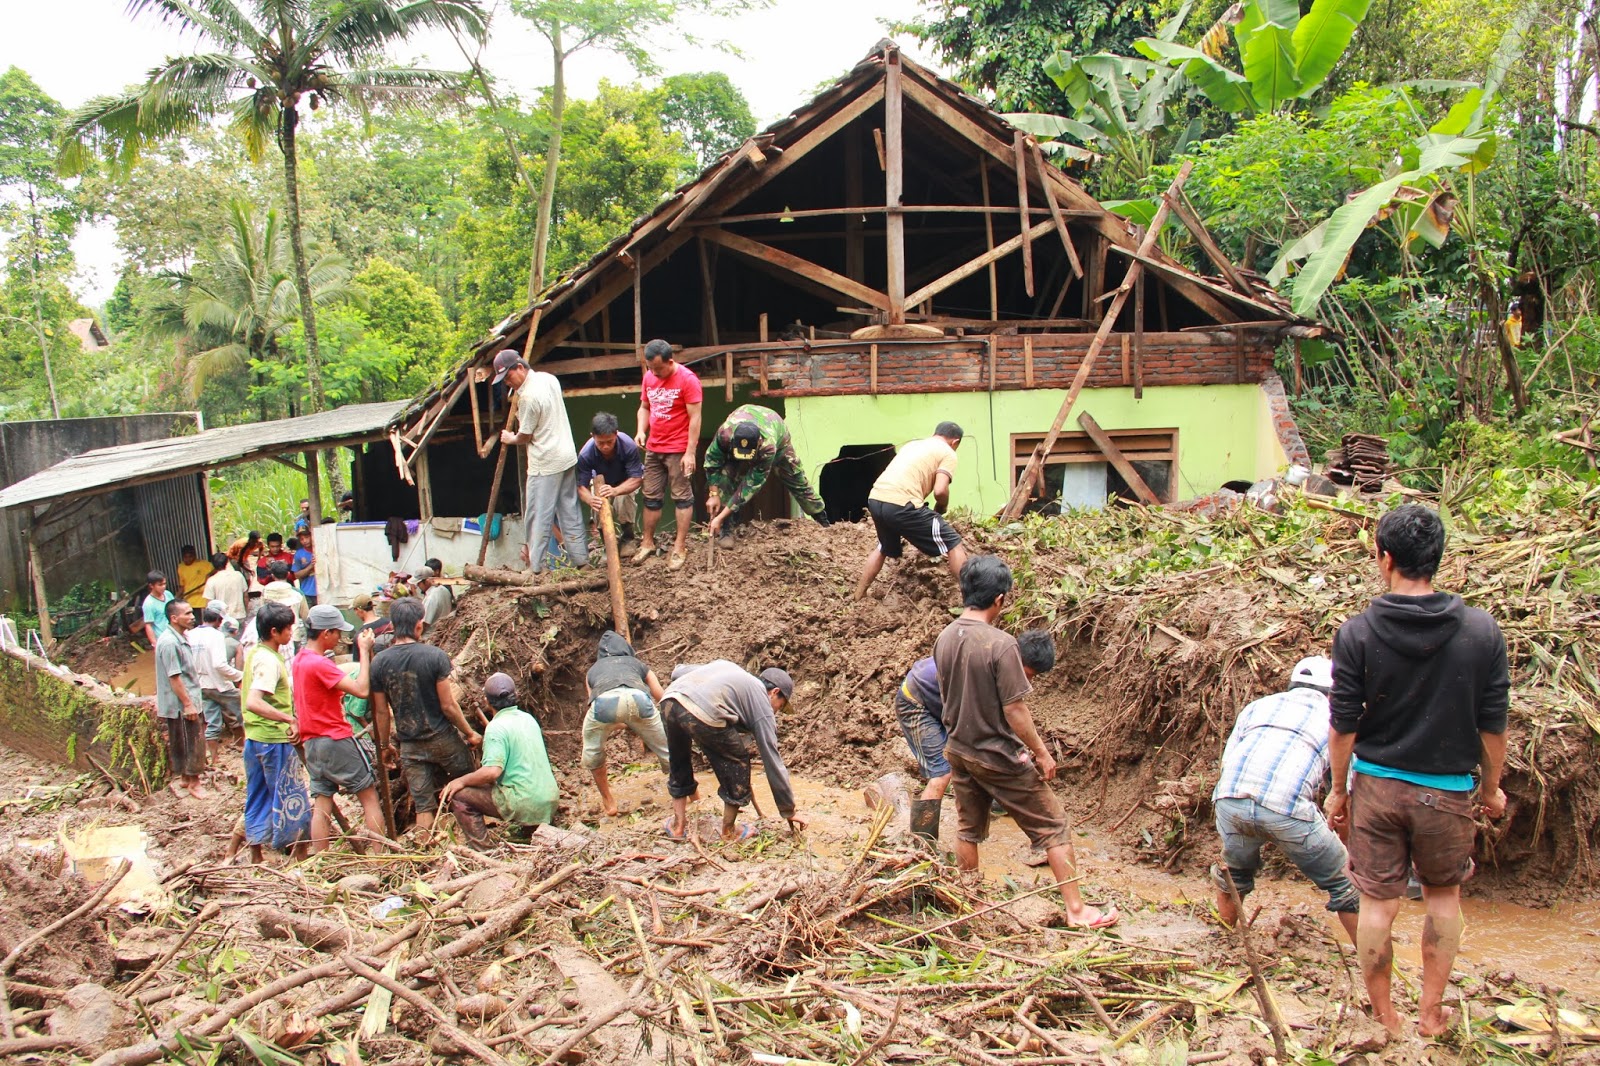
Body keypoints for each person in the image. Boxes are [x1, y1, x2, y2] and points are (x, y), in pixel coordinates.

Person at [1324, 504, 1509, 1037]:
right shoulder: (1481, 631)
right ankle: (1431, 1013)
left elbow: (1343, 725)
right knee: (1443, 898)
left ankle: (1385, 1017)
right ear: (1438, 558)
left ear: (1384, 558)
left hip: (1378, 787)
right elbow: (1492, 724)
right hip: (1448, 792)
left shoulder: (1356, 632)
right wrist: (1491, 789)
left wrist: (1339, 791)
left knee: (1378, 904)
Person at [937, 556, 1115, 928]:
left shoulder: (945, 637)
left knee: (968, 829)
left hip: (958, 748)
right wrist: (1041, 752)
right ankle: (1077, 911)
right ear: (1000, 599)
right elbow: (1015, 709)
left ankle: (966, 900)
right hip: (997, 754)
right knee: (1054, 825)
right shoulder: (1001, 645)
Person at [1210, 656, 1359, 942]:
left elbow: (1227, 764)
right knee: (1346, 886)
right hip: (1286, 808)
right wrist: (1346, 839)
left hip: (1230, 800)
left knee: (1235, 872)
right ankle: (1371, 962)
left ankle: (1225, 938)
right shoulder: (1338, 719)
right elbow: (1344, 794)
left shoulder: (1258, 706)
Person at [370, 597, 481, 840]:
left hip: (410, 745)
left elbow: (380, 712)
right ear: (419, 625)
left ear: (393, 625)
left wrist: (383, 746)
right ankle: (481, 837)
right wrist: (470, 733)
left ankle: (424, 854)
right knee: (472, 783)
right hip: (442, 738)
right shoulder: (434, 656)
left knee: (423, 806)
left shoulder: (378, 663)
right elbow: (448, 705)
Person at [661, 661, 805, 842]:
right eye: (781, 705)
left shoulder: (730, 672)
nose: (776, 712)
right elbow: (772, 759)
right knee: (738, 763)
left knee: (679, 761)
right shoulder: (761, 700)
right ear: (774, 692)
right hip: (703, 710)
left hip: (670, 700)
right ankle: (729, 831)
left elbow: (678, 672)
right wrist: (788, 810)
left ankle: (678, 826)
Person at [292, 604, 383, 853]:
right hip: (335, 738)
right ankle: (380, 855)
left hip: (312, 742)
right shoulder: (320, 664)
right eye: (337, 633)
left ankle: (321, 860)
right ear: (325, 633)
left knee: (322, 803)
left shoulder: (299, 659)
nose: (340, 638)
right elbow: (362, 689)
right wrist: (364, 651)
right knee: (369, 797)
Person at [492, 349, 589, 573]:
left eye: (509, 376)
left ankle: (536, 567)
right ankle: (581, 559)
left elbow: (525, 435)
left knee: (537, 515)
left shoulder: (528, 397)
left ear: (520, 367)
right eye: (504, 380)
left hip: (545, 463)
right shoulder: (548, 379)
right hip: (565, 455)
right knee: (569, 510)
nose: (508, 382)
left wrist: (510, 438)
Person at [441, 673, 561, 845]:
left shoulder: (496, 728)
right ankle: (531, 830)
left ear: (487, 702)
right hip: (549, 798)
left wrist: (460, 781)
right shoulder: (528, 719)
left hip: (524, 802)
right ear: (516, 696)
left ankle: (483, 851)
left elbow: (492, 772)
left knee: (459, 795)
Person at [856, 422, 970, 599]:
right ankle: (971, 599)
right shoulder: (948, 452)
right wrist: (942, 507)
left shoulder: (913, 444)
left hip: (876, 498)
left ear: (936, 434)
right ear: (955, 442)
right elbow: (940, 491)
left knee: (883, 547)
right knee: (953, 543)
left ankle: (858, 595)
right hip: (901, 504)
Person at [703, 404, 830, 549]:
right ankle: (727, 528)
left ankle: (823, 522)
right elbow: (712, 462)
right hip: (742, 422)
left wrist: (719, 516)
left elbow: (749, 486)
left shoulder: (768, 447)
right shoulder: (725, 434)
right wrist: (713, 494)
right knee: (724, 477)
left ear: (758, 444)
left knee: (795, 479)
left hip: (777, 431)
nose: (745, 460)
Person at [241, 602, 311, 861]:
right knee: (291, 796)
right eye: (288, 628)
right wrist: (289, 719)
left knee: (258, 795)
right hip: (274, 740)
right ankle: (301, 856)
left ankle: (257, 854)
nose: (291, 632)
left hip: (255, 739)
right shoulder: (270, 661)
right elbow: (254, 701)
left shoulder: (255, 654)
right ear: (274, 631)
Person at [583, 631, 671, 816]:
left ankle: (608, 801)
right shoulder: (638, 664)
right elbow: (661, 696)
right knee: (669, 751)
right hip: (638, 699)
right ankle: (693, 796)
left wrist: (622, 721)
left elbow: (593, 705)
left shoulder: (592, 671)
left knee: (593, 751)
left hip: (605, 704)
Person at [634, 338, 702, 571]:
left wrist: (690, 452)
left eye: (658, 368)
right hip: (654, 447)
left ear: (670, 361)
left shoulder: (688, 380)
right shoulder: (648, 377)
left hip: (678, 449)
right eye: (651, 368)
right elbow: (644, 407)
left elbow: (695, 417)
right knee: (651, 497)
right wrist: (641, 431)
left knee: (682, 497)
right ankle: (647, 542)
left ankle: (679, 547)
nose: (655, 373)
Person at [155, 600, 210, 799]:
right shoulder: (170, 642)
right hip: (182, 703)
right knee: (193, 741)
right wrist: (188, 704)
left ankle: (186, 779)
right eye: (187, 613)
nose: (192, 616)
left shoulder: (178, 637)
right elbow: (174, 677)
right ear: (174, 618)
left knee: (183, 740)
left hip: (183, 700)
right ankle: (194, 782)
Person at [577, 412, 645, 548]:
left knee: (624, 500)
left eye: (610, 442)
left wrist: (616, 490)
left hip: (625, 480)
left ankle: (628, 538)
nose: (606, 447)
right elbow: (581, 487)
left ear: (616, 434)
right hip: (599, 482)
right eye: (600, 443)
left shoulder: (628, 446)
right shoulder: (585, 454)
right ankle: (607, 543)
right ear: (593, 437)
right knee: (598, 503)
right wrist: (590, 499)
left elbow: (637, 478)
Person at [191, 606, 244, 770]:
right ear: (219, 621)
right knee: (246, 708)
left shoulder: (191, 634)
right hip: (217, 684)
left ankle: (214, 759)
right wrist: (239, 675)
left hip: (199, 684)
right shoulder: (216, 636)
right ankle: (248, 747)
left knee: (211, 720)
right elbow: (219, 664)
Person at [203, 552, 247, 622]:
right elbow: (245, 597)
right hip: (239, 616)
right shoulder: (239, 576)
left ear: (213, 565)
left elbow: (210, 604)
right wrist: (245, 612)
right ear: (226, 563)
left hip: (221, 619)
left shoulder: (211, 580)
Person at [414, 566, 455, 633]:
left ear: (427, 581)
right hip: (444, 630)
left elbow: (424, 624)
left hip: (432, 634)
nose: (418, 586)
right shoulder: (443, 589)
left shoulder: (431, 597)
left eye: (419, 583)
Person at [141, 570, 174, 647]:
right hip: (162, 638)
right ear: (151, 585)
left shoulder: (168, 594)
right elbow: (148, 625)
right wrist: (154, 643)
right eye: (160, 585)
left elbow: (176, 611)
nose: (163, 587)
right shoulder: (149, 603)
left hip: (175, 634)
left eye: (164, 584)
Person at [177, 546, 214, 610]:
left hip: (202, 601)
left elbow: (217, 569)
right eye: (185, 557)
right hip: (188, 602)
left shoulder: (204, 564)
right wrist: (176, 597)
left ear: (194, 556)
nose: (188, 559)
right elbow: (182, 586)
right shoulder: (181, 567)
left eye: (190, 557)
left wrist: (209, 575)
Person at [292, 528, 317, 602]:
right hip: (307, 592)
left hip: (323, 591)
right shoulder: (299, 554)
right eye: (301, 539)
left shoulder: (321, 549)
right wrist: (311, 566)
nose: (305, 541)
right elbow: (296, 575)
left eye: (307, 537)